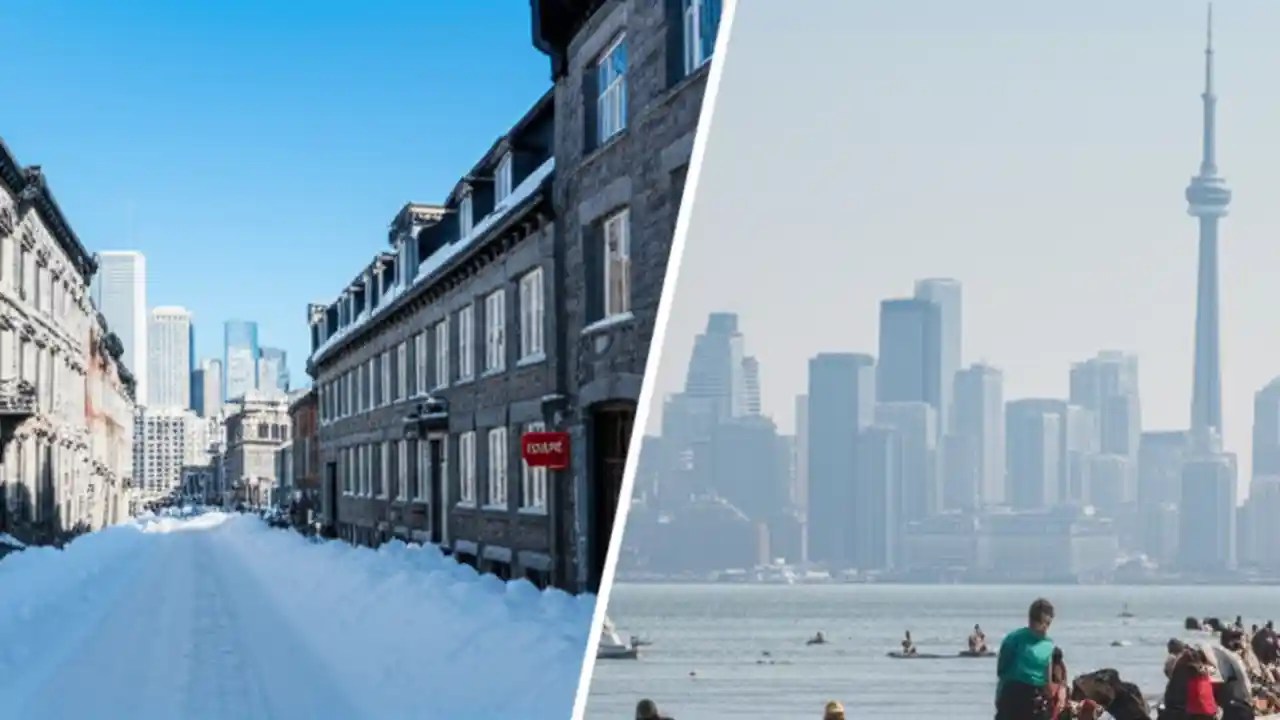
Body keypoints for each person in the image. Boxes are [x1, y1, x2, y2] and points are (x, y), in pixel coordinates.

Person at [995, 598, 1056, 720]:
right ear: (1031, 621)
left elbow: (1047, 679)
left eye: (1048, 624)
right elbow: (1001, 670)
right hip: (1012, 693)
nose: (1045, 628)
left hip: (1036, 697)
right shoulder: (1014, 639)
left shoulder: (1049, 645)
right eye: (1042, 623)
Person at [1186, 646, 1220, 720]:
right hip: (1206, 709)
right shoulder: (1206, 670)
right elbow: (1214, 667)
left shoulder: (1188, 669)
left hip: (1194, 710)